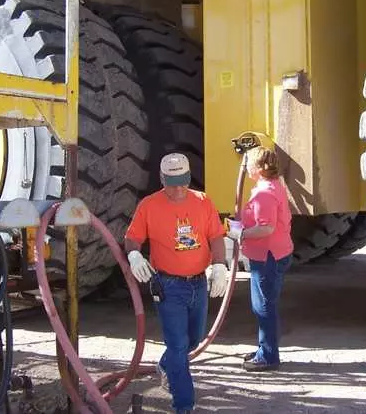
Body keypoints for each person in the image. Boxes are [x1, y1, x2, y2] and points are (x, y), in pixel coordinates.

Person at [125, 153, 228, 414]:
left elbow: (216, 235)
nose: (179, 188)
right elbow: (132, 237)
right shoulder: (149, 205)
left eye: (183, 181)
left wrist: (219, 265)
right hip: (168, 285)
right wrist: (134, 254)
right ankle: (184, 404)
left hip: (198, 283)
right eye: (173, 182)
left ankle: (165, 365)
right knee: (178, 346)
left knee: (193, 340)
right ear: (162, 179)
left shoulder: (203, 202)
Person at [227, 146, 293, 371]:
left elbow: (266, 228)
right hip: (275, 253)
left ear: (258, 168)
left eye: (249, 164)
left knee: (263, 306)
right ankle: (265, 348)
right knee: (265, 305)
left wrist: (241, 234)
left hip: (268, 257)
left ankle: (268, 356)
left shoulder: (265, 193)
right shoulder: (273, 186)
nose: (246, 168)